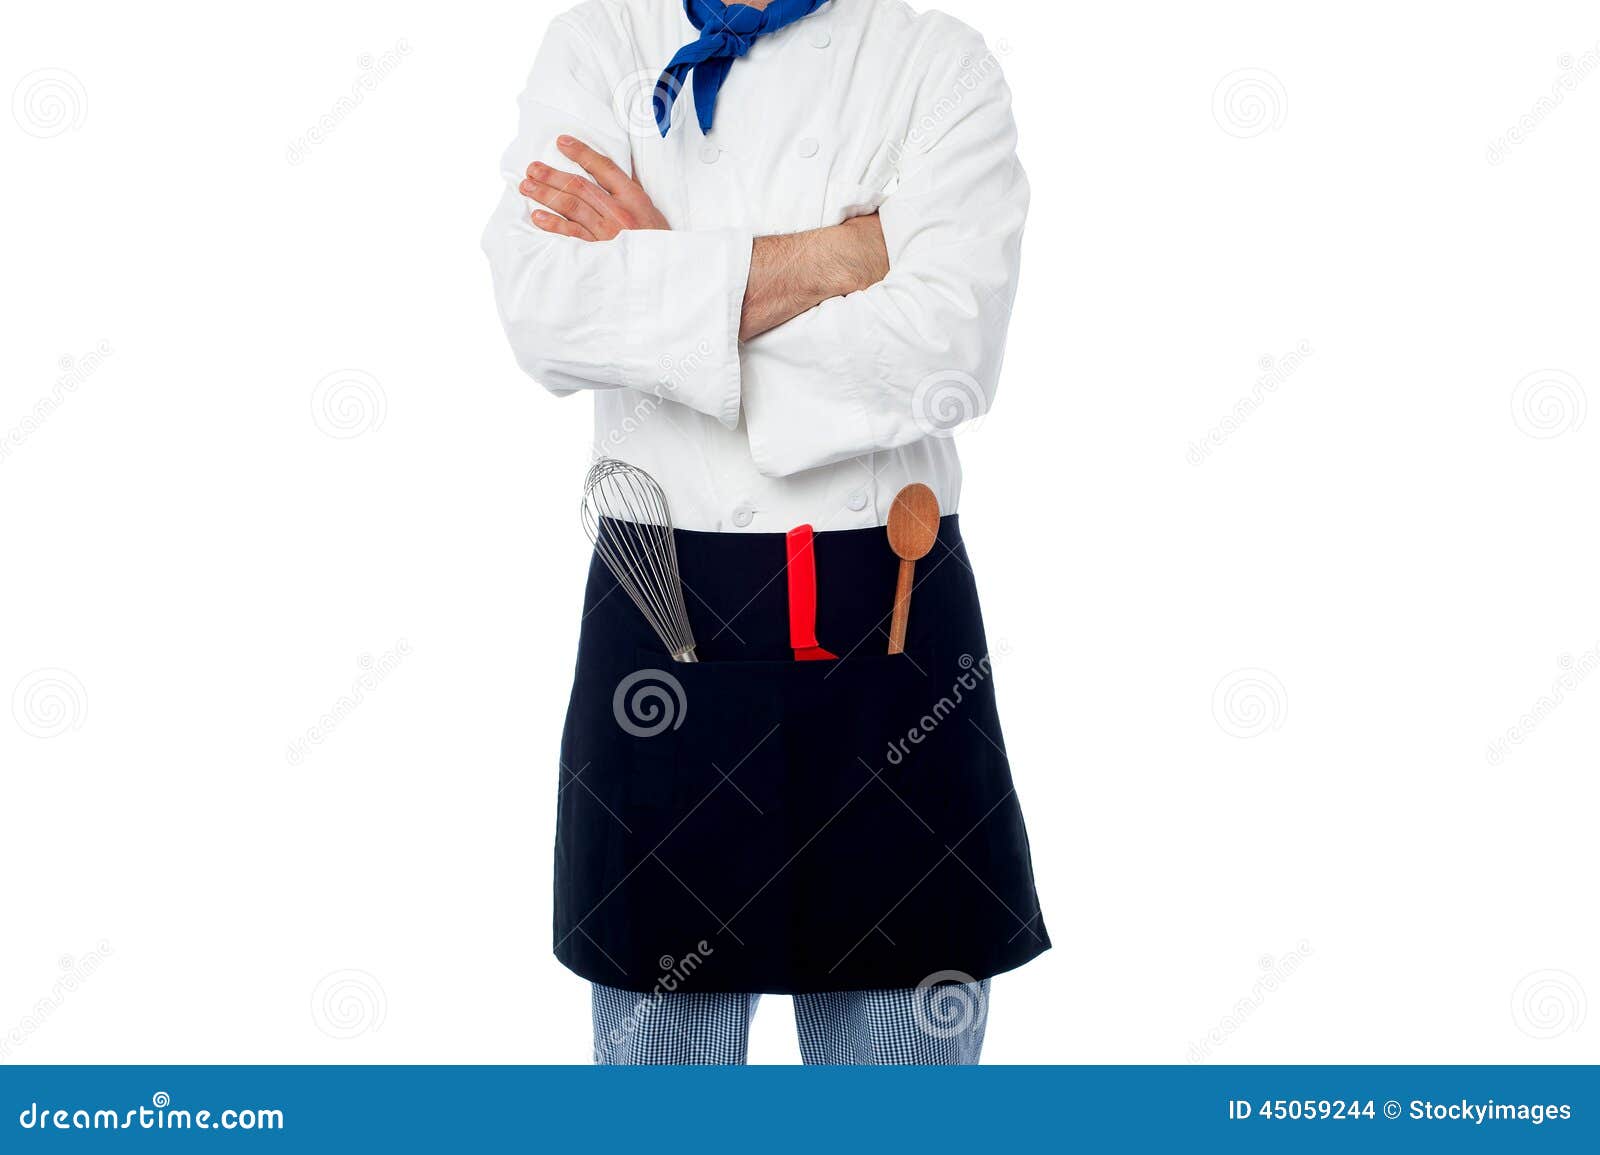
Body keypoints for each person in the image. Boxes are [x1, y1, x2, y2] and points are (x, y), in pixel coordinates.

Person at [482, 0, 1048, 1065]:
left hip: (889, 610)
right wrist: (848, 256)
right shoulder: (599, 43)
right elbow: (545, 309)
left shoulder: (936, 60)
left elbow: (948, 347)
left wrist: (667, 275)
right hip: (662, 604)